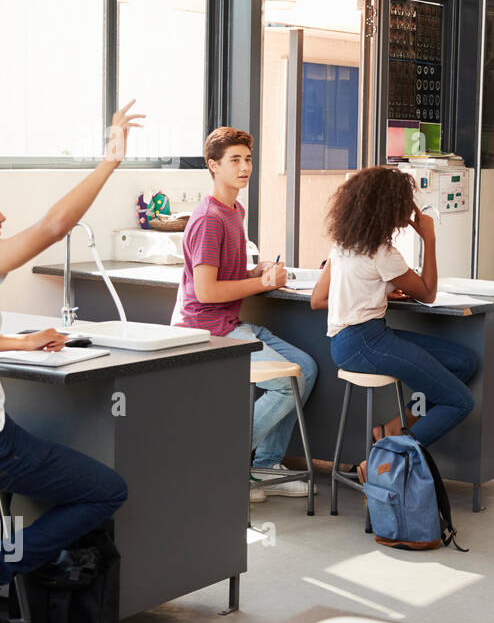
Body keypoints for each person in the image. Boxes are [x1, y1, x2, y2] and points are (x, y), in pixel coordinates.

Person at [0, 103, 139, 623]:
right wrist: (110, 161)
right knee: (105, 489)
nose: (0, 219)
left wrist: (22, 341)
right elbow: (55, 225)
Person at [173, 126, 316, 503]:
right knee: (286, 384)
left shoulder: (235, 210)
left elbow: (225, 277)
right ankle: (220, 462)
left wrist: (257, 272)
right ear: (213, 166)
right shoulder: (208, 219)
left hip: (229, 323)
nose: (244, 167)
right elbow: (206, 292)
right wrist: (263, 285)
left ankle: (263, 468)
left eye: (248, 159)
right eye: (234, 160)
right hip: (205, 330)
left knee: (306, 369)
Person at [311, 167, 476, 481]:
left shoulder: (344, 245)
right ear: (387, 207)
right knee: (459, 402)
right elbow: (427, 293)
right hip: (367, 341)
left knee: (462, 362)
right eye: (404, 201)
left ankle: (390, 430)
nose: (409, 207)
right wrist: (429, 238)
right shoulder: (383, 253)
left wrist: (376, 290)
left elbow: (318, 299)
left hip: (352, 341)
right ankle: (382, 460)